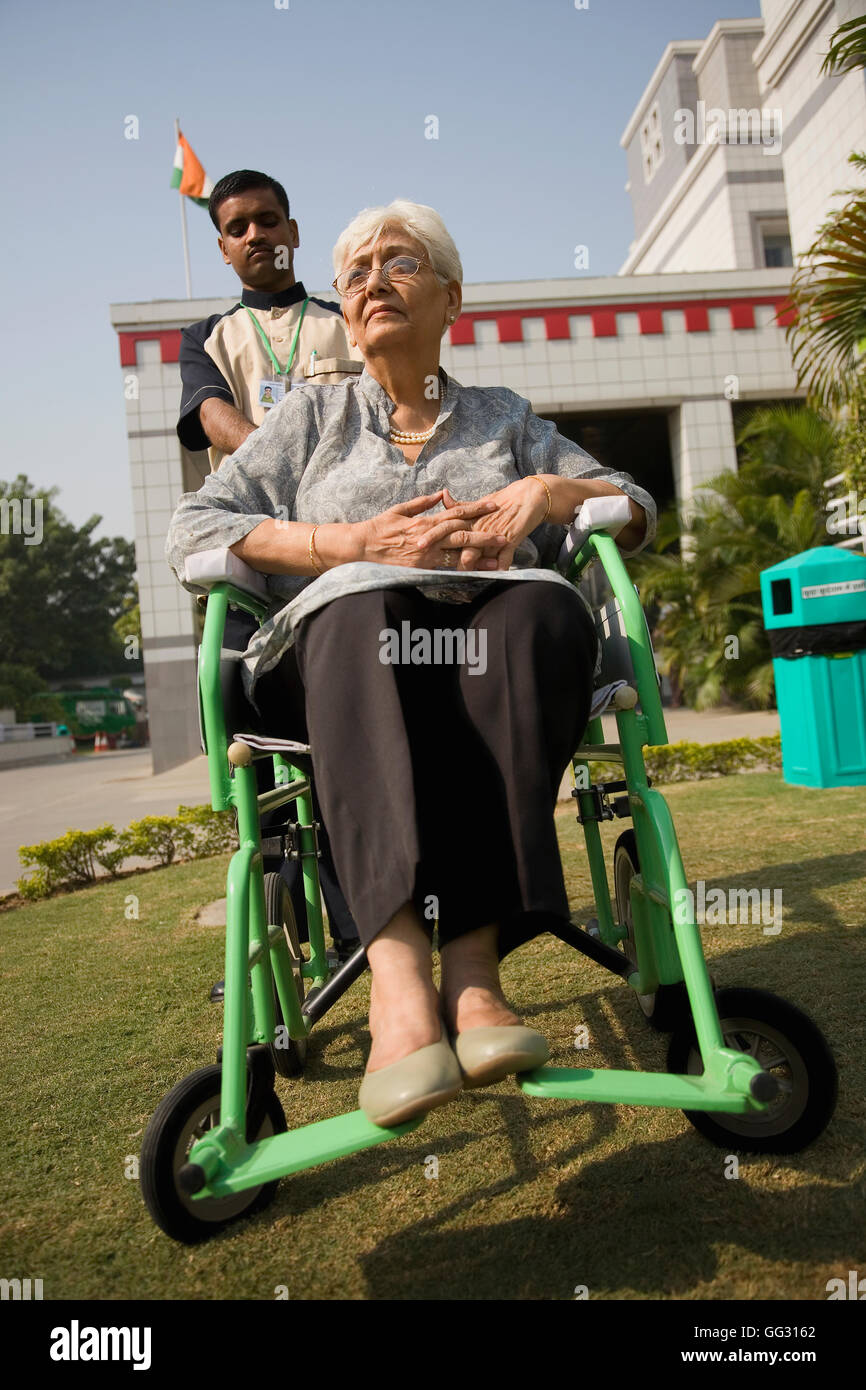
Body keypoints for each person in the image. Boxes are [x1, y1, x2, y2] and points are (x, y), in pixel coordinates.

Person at [166, 199, 656, 1129]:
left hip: (492, 656)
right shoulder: (311, 416)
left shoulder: (504, 418)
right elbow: (195, 526)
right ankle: (398, 985)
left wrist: (547, 492)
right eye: (354, 273)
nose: (371, 282)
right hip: (347, 659)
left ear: (451, 297)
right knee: (365, 600)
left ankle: (473, 980)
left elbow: (631, 502)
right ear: (345, 317)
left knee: (541, 609)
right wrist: (347, 542)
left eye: (399, 262)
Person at [176, 168, 364, 962]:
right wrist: (276, 456)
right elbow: (211, 417)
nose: (256, 235)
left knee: (346, 740)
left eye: (268, 220)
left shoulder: (345, 321)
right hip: (254, 581)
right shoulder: (209, 338)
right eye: (238, 227)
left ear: (292, 228)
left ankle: (369, 907)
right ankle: (289, 913)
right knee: (261, 757)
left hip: (346, 571)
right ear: (222, 247)